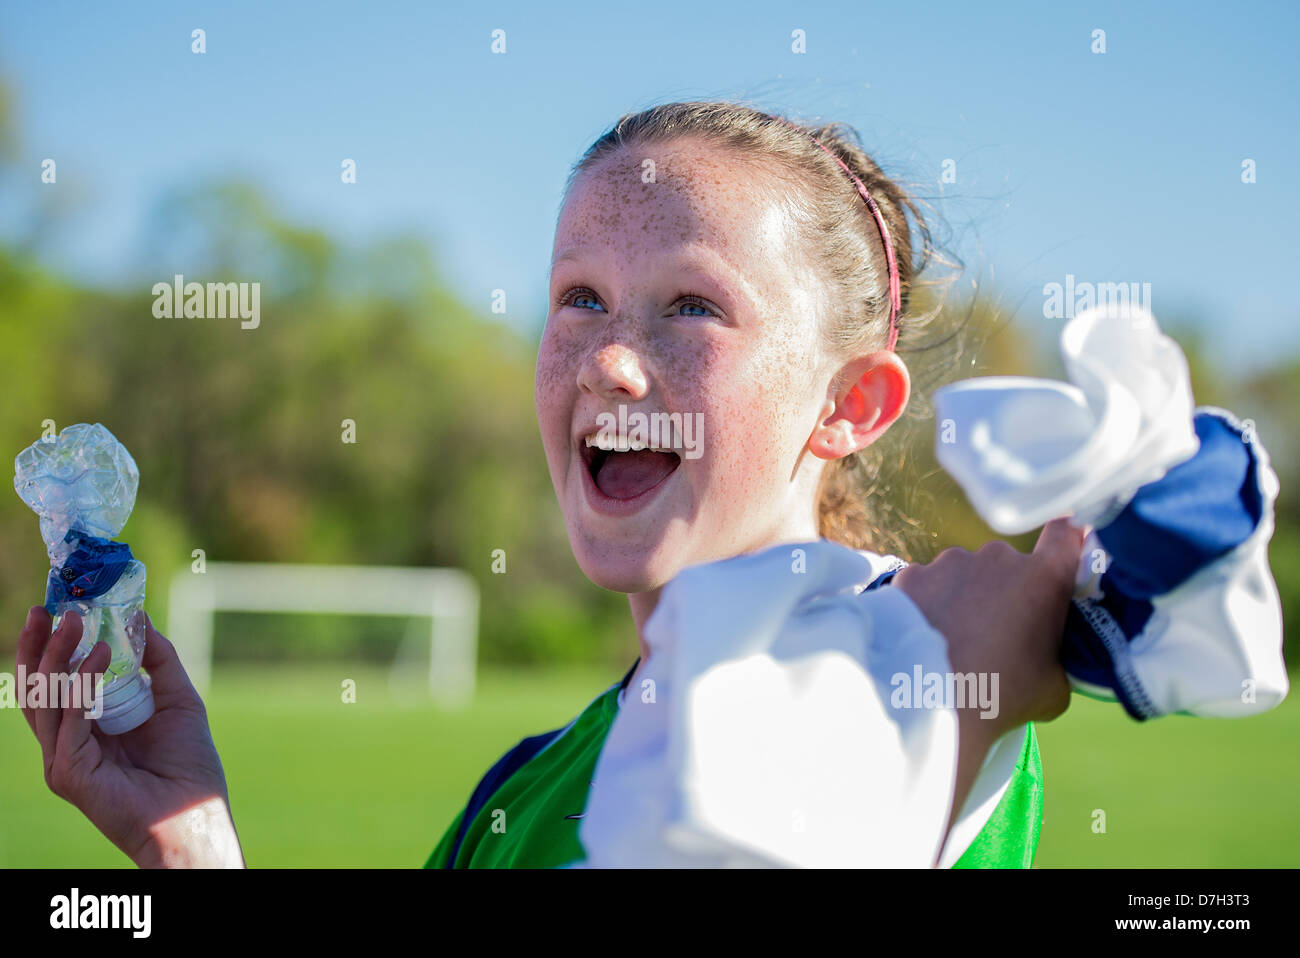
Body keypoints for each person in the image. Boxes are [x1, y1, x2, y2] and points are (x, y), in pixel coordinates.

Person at [15, 100, 1282, 869]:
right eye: (578, 300)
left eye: (691, 305)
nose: (611, 359)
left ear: (850, 404)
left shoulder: (901, 656)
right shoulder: (522, 786)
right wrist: (194, 843)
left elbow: (1193, 562)